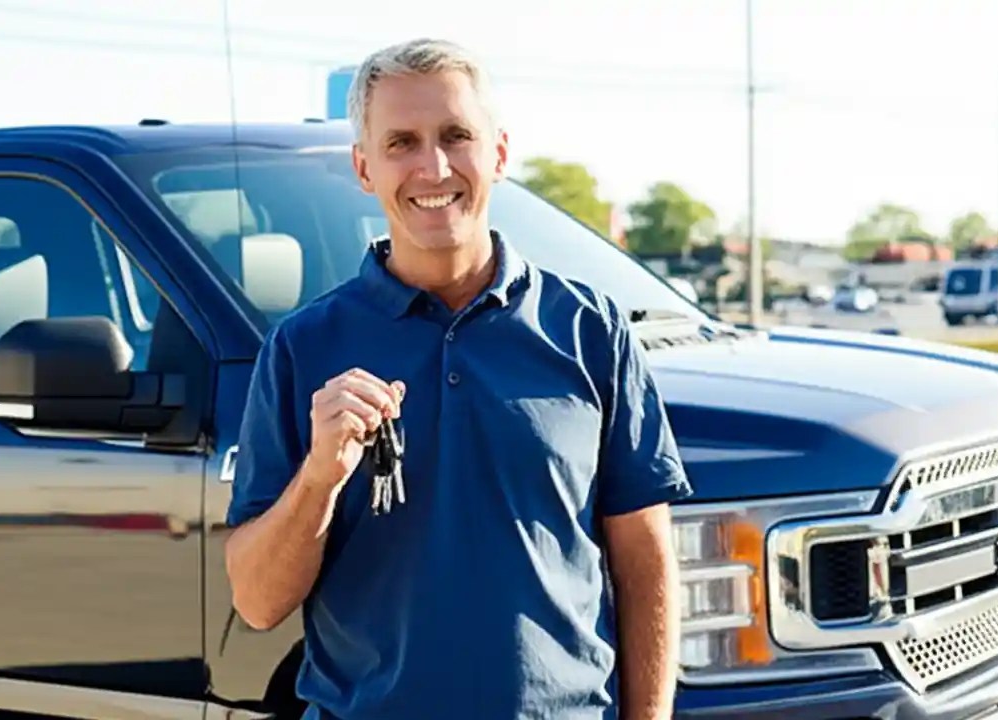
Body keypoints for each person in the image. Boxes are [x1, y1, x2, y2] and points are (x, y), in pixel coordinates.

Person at [223, 37, 693, 720]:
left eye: (455, 136)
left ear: (498, 153)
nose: (433, 166)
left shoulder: (593, 333)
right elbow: (258, 602)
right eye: (401, 143)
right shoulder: (302, 349)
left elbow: (645, 562)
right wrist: (320, 478)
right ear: (363, 169)